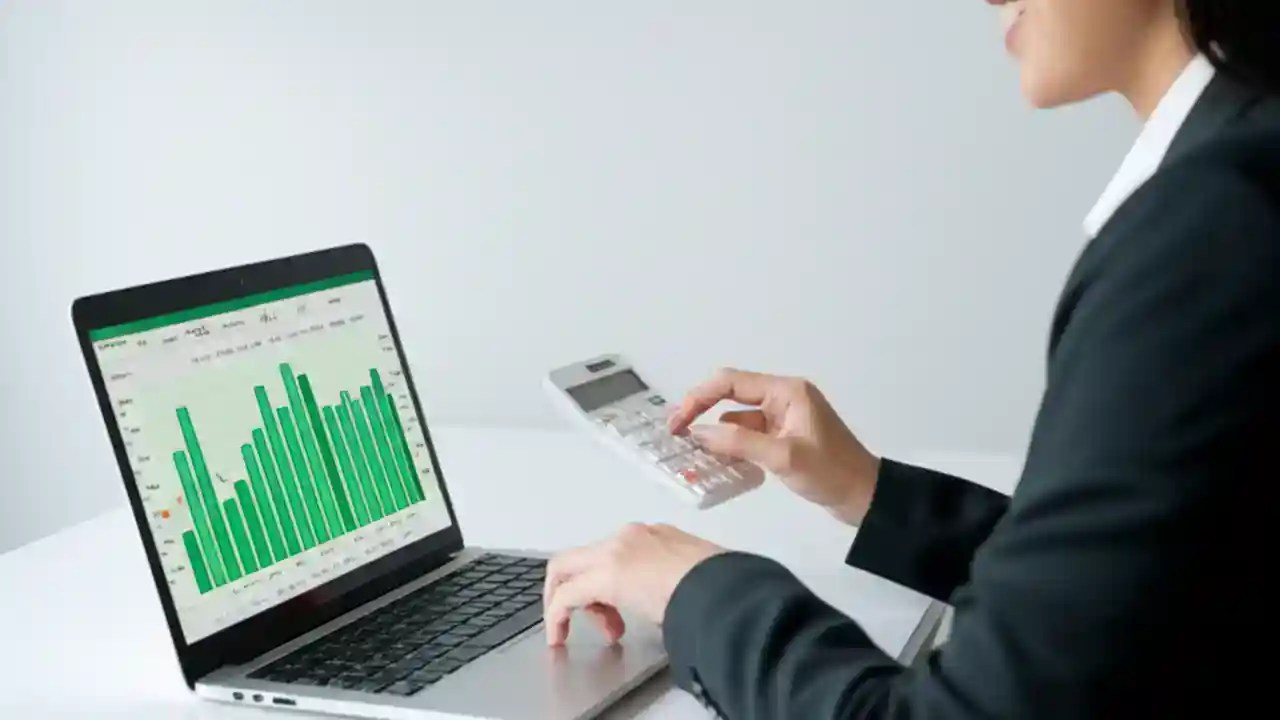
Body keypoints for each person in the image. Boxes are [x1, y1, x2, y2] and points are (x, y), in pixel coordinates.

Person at [542, 1, 1280, 717]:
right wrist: (867, 491)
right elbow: (1141, 592)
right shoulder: (1241, 169)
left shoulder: (1208, 229)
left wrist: (696, 593)